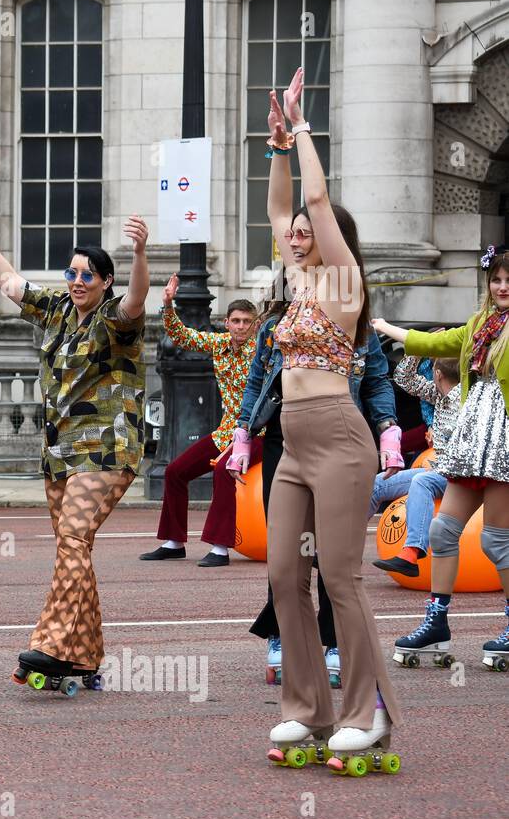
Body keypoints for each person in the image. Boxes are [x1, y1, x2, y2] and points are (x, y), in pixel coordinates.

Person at [0, 191, 150, 693]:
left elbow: (138, 299)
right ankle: (84, 656)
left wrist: (141, 254)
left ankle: (54, 644)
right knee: (72, 546)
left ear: (105, 282)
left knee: (74, 538)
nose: (78, 281)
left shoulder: (115, 321)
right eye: (72, 273)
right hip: (59, 452)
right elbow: (6, 280)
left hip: (106, 448)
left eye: (88, 276)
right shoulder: (56, 310)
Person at [257, 68, 400, 772]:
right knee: (286, 574)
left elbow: (312, 196)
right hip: (293, 441)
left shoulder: (343, 286)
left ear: (336, 237)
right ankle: (306, 710)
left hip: (341, 438)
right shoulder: (295, 280)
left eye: (315, 229)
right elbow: (283, 206)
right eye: (299, 233)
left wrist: (304, 125)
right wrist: (276, 145)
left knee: (341, 578)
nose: (300, 231)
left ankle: (366, 713)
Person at [230, 271, 400, 687]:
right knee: (287, 548)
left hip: (339, 436)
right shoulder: (275, 327)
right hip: (283, 439)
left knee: (332, 549)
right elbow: (257, 381)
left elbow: (376, 381)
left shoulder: (356, 325)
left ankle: (335, 639)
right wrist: (242, 433)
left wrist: (388, 429)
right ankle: (282, 633)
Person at [373, 243, 509, 673]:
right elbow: (437, 341)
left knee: (495, 541)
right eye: (497, 279)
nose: (503, 286)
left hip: (504, 443)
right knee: (442, 530)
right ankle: (436, 622)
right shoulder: (479, 326)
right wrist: (387, 327)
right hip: (472, 442)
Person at [140, 279, 258, 568]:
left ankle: (220, 548)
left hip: (258, 433)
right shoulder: (218, 344)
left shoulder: (263, 351)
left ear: (255, 325)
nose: (241, 326)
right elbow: (182, 336)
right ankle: (173, 542)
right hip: (225, 433)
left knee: (222, 471)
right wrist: (167, 304)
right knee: (175, 471)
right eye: (236, 321)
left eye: (247, 321)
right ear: (226, 323)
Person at [368, 355, 459, 577]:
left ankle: (411, 552)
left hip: (462, 477)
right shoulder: (438, 393)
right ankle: (342, 548)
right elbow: (403, 378)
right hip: (441, 469)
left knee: (422, 481)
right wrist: (417, 350)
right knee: (378, 483)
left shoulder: (470, 399)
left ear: (437, 374)